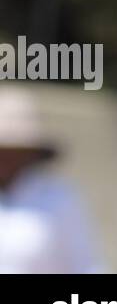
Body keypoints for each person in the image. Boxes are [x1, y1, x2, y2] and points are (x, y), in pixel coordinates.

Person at [0, 87, 105, 274]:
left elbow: (87, 266)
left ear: (29, 153)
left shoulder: (59, 199)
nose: (6, 159)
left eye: (13, 151)